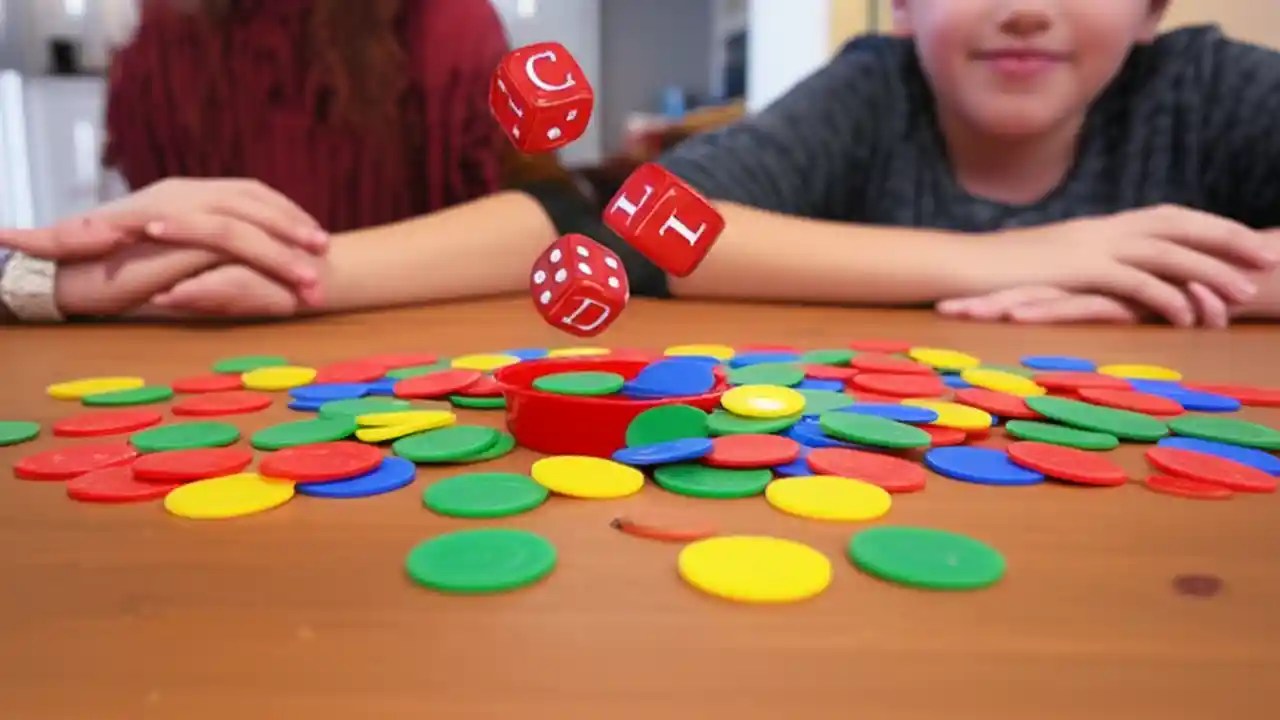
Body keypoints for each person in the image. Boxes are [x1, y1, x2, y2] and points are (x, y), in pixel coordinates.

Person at [637, 0, 1280, 328]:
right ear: (904, 7)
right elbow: (647, 223)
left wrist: (1159, 285)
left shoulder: (1206, 87)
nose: (1026, 12)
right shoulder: (873, 92)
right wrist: (1023, 257)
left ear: (1152, 10)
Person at [1, 0, 625, 323]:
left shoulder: (446, 30)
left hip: (406, 369)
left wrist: (308, 272)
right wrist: (43, 282)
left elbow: (558, 217)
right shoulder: (161, 48)